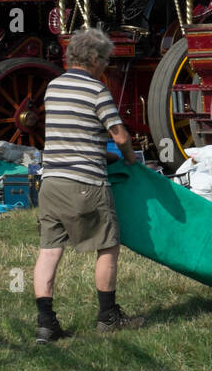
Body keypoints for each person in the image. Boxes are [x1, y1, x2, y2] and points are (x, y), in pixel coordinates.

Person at [32, 28, 144, 343]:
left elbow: (74, 133)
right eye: (106, 59)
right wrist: (131, 159)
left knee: (49, 252)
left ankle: (45, 323)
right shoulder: (96, 90)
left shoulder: (53, 87)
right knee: (107, 245)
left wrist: (99, 152)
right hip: (85, 184)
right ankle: (108, 316)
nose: (106, 65)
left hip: (51, 182)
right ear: (94, 58)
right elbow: (119, 135)